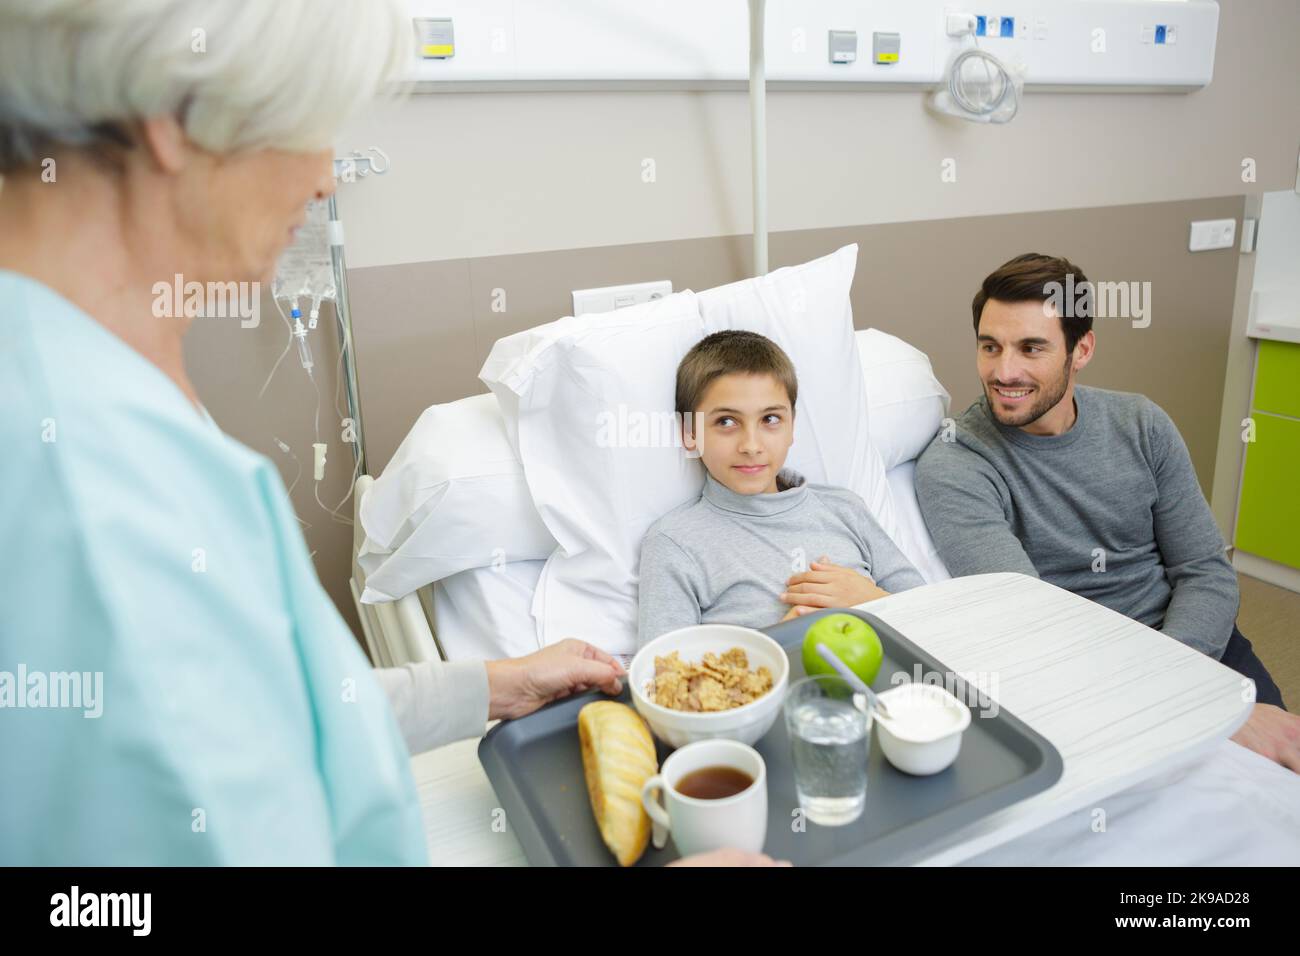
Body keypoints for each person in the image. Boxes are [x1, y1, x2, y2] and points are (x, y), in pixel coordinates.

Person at [0, 0, 785, 865]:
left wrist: (489, 687)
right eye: (311, 126)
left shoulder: (91, 382)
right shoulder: (81, 474)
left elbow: (260, 710)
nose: (327, 177)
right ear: (176, 120)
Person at [914, 252, 1298, 772]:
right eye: (990, 346)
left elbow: (1205, 571)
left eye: (1032, 348)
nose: (1004, 371)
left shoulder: (1141, 423)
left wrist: (1188, 677)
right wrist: (1192, 703)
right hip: (1088, 677)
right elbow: (1028, 626)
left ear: (1082, 349)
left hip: (1197, 644)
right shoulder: (959, 462)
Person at [637, 330, 924, 646]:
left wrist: (872, 601)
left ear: (791, 426)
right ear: (690, 432)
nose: (751, 445)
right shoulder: (674, 542)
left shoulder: (845, 509)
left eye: (770, 419)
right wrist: (778, 645)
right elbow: (662, 676)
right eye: (726, 422)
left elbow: (936, 613)